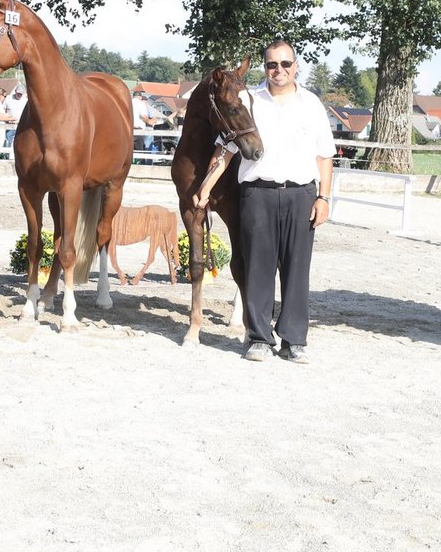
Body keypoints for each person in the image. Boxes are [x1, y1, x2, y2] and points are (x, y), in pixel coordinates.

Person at [193, 40, 336, 363]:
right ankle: (259, 338)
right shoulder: (251, 100)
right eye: (272, 64)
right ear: (265, 67)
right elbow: (226, 148)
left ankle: (294, 340)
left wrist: (324, 198)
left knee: (297, 270)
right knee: (258, 268)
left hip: (301, 194)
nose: (278, 70)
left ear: (295, 66)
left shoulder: (311, 104)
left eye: (285, 64)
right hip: (258, 193)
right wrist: (206, 186)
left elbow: (324, 155)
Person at [131, 89, 160, 153]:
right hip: (138, 130)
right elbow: (144, 117)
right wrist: (148, 120)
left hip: (128, 130)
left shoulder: (128, 103)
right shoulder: (141, 104)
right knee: (139, 152)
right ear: (140, 97)